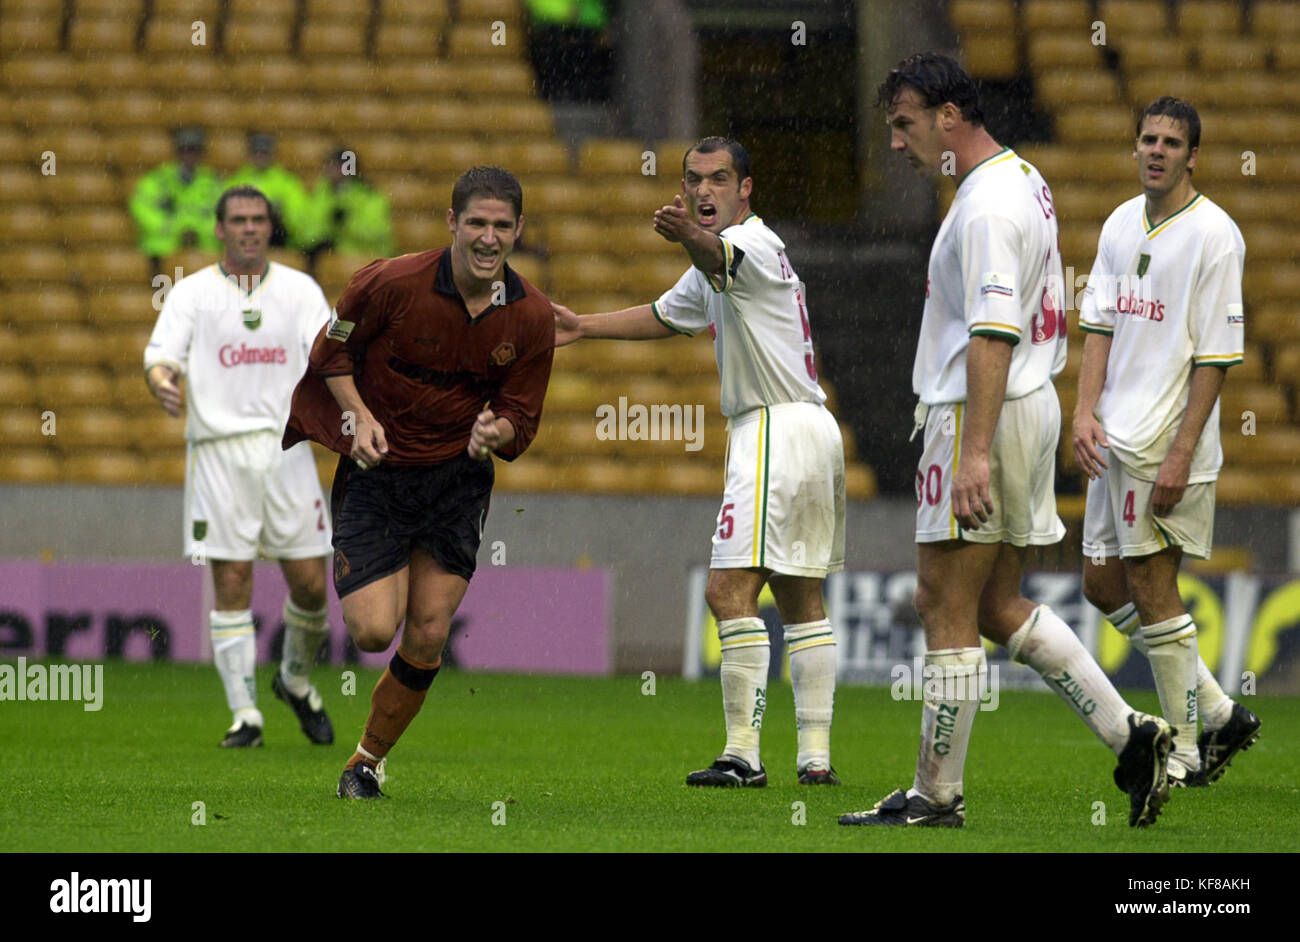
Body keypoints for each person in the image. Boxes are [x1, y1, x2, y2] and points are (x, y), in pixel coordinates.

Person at [839, 54, 1174, 829]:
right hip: (1031, 405)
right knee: (995, 602)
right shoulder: (1024, 178)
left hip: (981, 412)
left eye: (905, 124)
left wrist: (975, 451)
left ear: (950, 117)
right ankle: (1131, 735)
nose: (897, 142)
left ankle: (935, 795)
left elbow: (992, 329)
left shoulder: (987, 206)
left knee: (940, 599)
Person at [554, 137, 847, 787]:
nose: (705, 190)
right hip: (809, 427)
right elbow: (666, 315)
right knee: (801, 597)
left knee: (726, 591)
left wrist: (688, 233)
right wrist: (581, 327)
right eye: (694, 180)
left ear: (747, 189)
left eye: (720, 179)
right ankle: (816, 759)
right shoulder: (720, 265)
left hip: (772, 425)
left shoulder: (755, 245)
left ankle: (742, 754)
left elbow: (715, 255)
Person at [282, 166, 555, 799]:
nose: (489, 238)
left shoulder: (532, 316)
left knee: (429, 630)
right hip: (378, 476)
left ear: (518, 231)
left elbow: (523, 418)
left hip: (456, 483)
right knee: (376, 631)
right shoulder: (388, 282)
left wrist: (497, 434)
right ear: (452, 224)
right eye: (478, 223)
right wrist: (359, 415)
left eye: (503, 226)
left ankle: (364, 763)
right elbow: (329, 356)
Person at [1074, 96, 1260, 788]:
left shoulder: (1217, 235)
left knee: (1154, 588)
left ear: (1192, 157)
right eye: (1147, 139)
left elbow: (1215, 359)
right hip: (1112, 436)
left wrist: (1183, 452)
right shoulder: (1122, 221)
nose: (1155, 150)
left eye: (1170, 142)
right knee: (1099, 582)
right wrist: (1083, 412)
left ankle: (1184, 749)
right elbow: (1098, 324)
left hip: (1163, 442)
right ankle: (1217, 710)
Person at [144, 185, 336, 748]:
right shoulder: (192, 293)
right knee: (231, 578)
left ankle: (294, 679)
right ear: (220, 229)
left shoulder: (300, 290)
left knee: (310, 586)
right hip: (219, 452)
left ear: (269, 227)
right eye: (239, 219)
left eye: (258, 219)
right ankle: (244, 714)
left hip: (286, 449)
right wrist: (163, 384)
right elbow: (160, 358)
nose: (250, 228)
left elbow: (326, 355)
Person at [129, 126, 225, 271]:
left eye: (194, 151)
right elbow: (141, 208)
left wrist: (197, 230)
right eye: (185, 150)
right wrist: (177, 230)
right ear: (177, 152)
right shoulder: (158, 180)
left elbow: (223, 215)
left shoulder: (213, 183)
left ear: (201, 154)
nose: (190, 155)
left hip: (205, 250)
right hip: (162, 251)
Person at [300, 147, 395, 262]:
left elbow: (376, 231)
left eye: (335, 165)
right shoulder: (321, 192)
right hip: (332, 257)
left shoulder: (369, 195)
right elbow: (308, 228)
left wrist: (347, 223)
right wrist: (325, 233)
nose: (329, 169)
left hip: (367, 256)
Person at [224, 132, 310, 250]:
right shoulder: (235, 182)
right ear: (250, 154)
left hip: (278, 242)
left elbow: (300, 220)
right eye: (257, 152)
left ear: (272, 154)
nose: (260, 157)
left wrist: (283, 214)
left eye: (264, 153)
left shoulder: (287, 182)